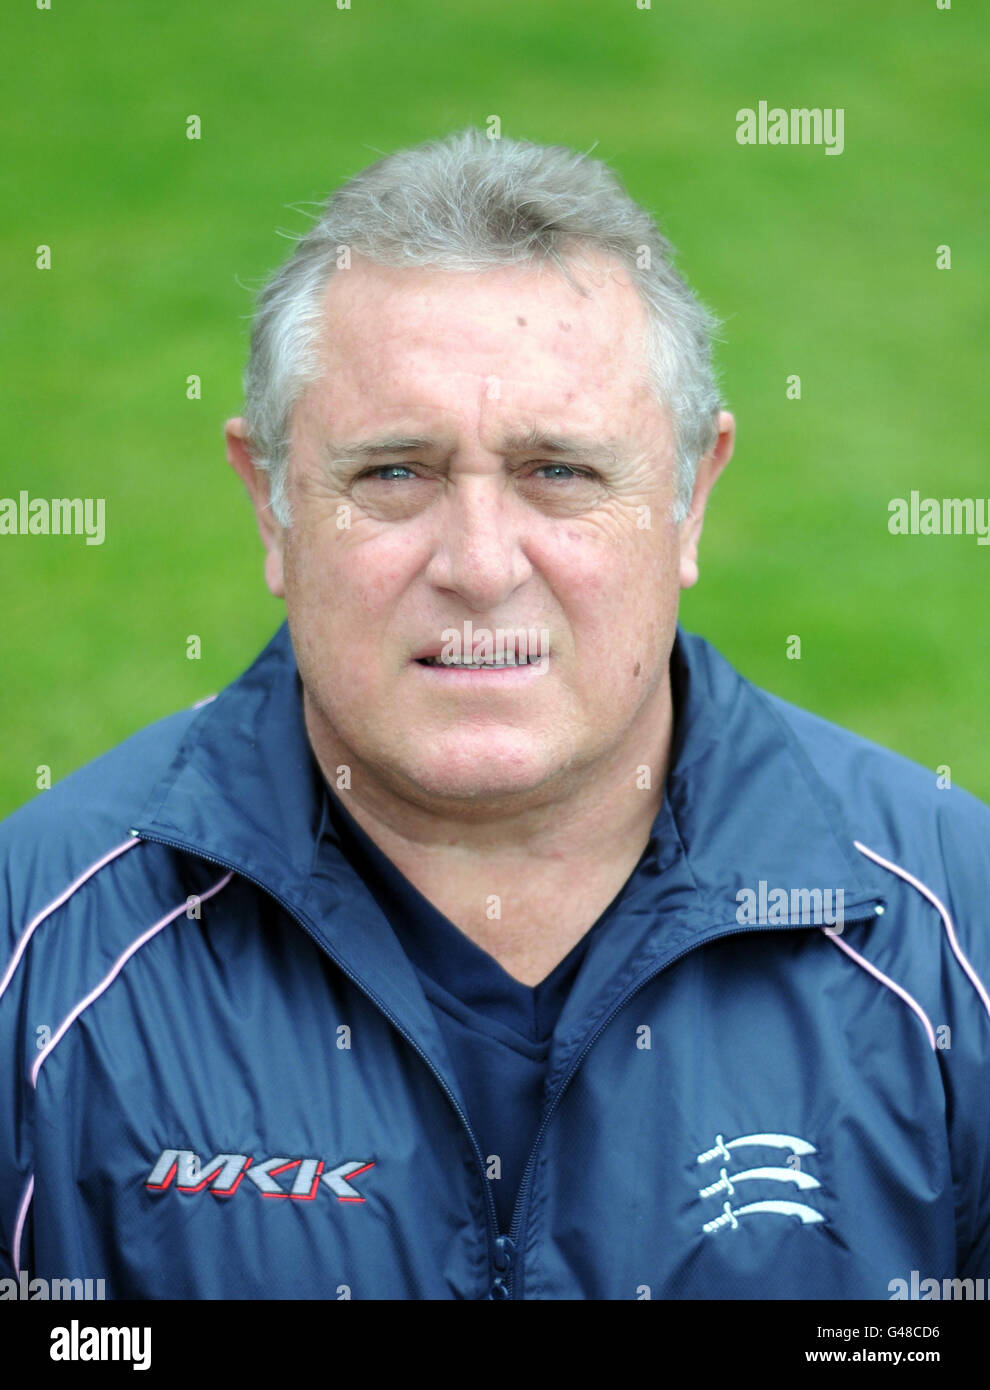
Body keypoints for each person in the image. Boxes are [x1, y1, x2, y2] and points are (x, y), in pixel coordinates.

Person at [1, 129, 988, 1301]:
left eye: (558, 472)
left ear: (689, 498)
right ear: (269, 502)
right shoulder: (36, 956)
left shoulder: (954, 939)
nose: (477, 564)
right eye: (394, 474)